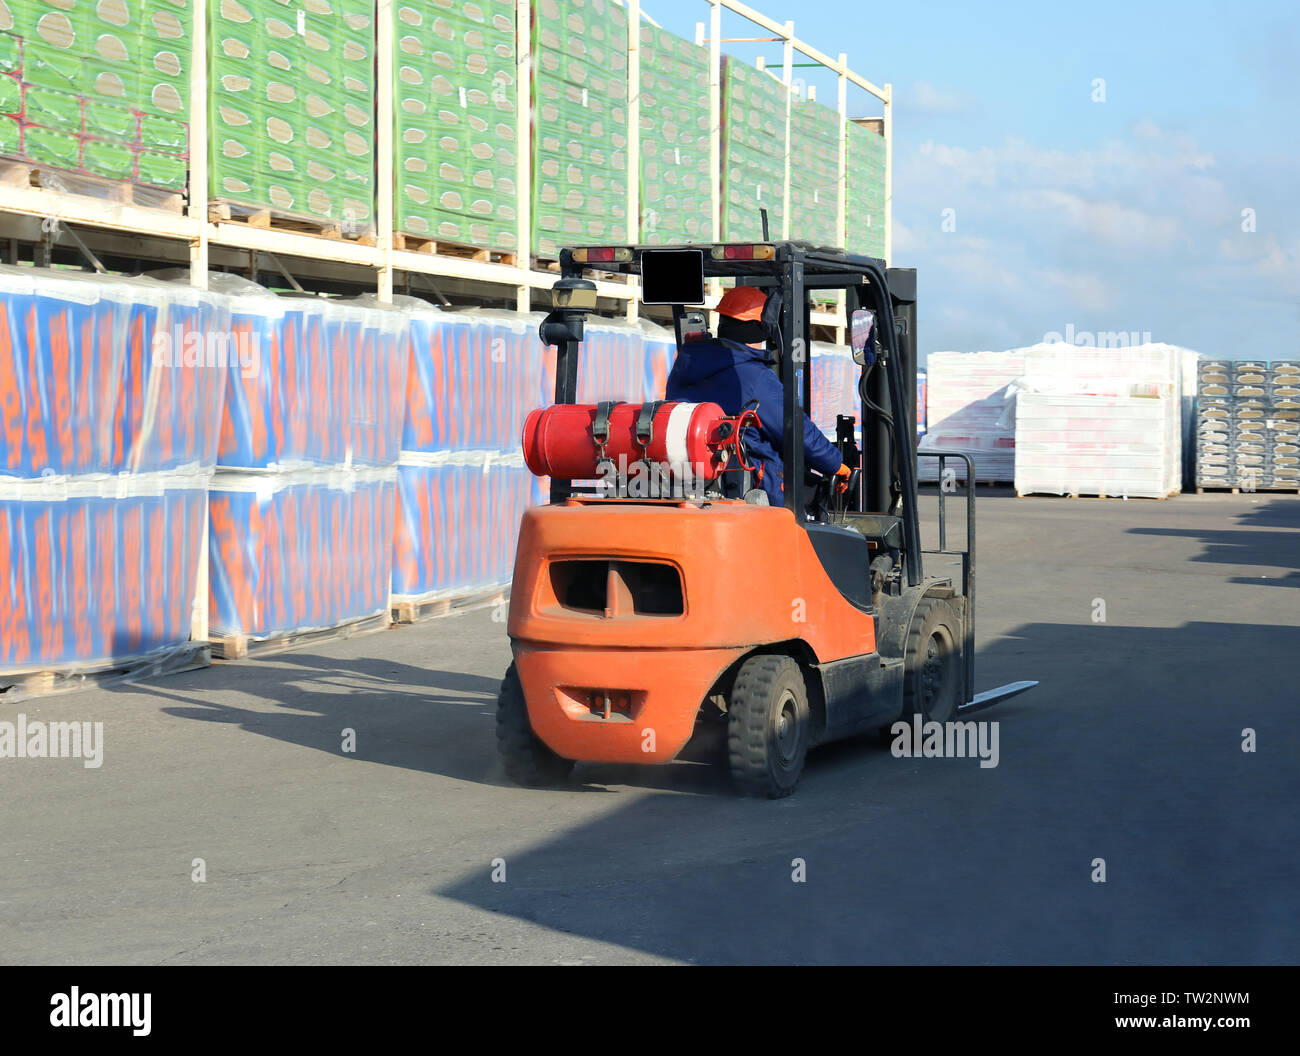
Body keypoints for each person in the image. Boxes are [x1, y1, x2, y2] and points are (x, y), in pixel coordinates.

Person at [665, 285, 851, 509]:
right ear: (762, 328)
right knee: (818, 497)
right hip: (752, 487)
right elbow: (795, 429)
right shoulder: (754, 376)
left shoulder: (686, 365)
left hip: (697, 480)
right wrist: (835, 464)